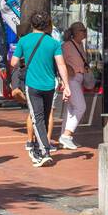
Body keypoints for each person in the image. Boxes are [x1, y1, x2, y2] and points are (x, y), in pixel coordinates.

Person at [13, 12, 72, 166]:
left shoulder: (24, 41)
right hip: (49, 85)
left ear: (32, 24)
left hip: (32, 85)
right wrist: (66, 86)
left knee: (37, 118)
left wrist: (22, 62)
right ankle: (40, 148)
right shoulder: (53, 43)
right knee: (44, 117)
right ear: (47, 25)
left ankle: (43, 150)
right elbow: (61, 65)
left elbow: (13, 62)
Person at [57, 22, 89, 150]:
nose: (85, 32)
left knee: (70, 110)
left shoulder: (80, 45)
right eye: (82, 30)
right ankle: (66, 135)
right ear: (75, 32)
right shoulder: (67, 46)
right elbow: (59, 60)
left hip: (78, 78)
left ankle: (64, 139)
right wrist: (67, 69)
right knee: (81, 107)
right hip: (71, 79)